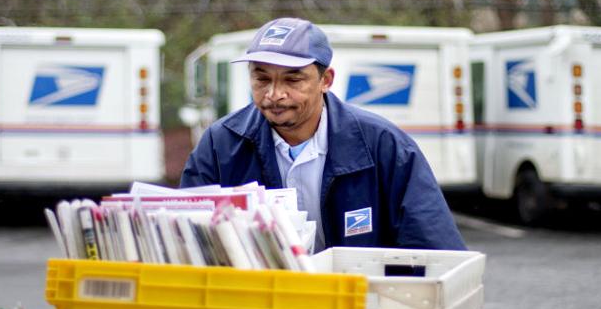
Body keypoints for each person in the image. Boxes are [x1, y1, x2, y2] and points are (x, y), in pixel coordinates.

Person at [181, 17, 465, 252]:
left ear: (325, 80)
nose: (274, 94)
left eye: (293, 79)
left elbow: (435, 248)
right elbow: (187, 239)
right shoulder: (220, 144)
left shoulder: (383, 144)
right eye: (262, 78)